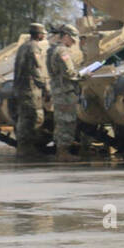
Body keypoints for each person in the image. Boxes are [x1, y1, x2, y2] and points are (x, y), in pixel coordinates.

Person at [13, 22, 50, 159]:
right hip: (30, 89)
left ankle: (23, 147)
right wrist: (45, 88)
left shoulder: (23, 46)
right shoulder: (34, 48)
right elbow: (36, 69)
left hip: (21, 88)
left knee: (24, 117)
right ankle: (26, 147)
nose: (44, 36)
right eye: (43, 34)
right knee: (33, 117)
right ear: (39, 34)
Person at [47, 23, 81, 162]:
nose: (73, 43)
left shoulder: (51, 50)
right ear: (66, 36)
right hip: (65, 91)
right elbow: (69, 73)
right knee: (67, 121)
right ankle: (63, 152)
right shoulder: (62, 51)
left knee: (60, 121)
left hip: (57, 90)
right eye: (72, 39)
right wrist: (83, 75)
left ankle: (61, 150)